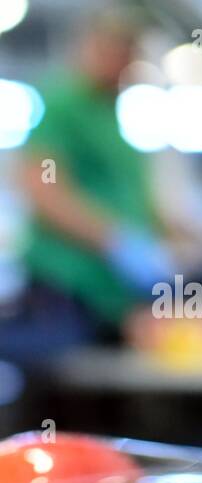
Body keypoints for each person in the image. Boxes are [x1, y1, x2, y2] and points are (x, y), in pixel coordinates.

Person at [13, 10, 176, 361]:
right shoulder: (61, 106)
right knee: (62, 383)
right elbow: (43, 187)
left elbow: (135, 199)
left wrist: (175, 238)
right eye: (115, 50)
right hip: (66, 288)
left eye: (130, 52)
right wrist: (115, 240)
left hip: (114, 293)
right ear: (90, 47)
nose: (124, 62)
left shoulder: (114, 115)